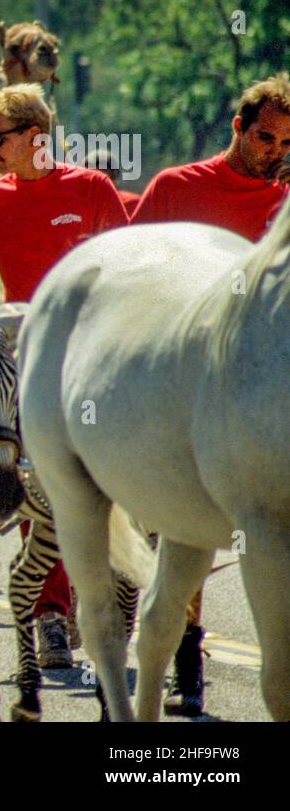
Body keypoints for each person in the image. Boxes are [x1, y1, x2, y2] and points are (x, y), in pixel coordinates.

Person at [0, 84, 129, 669]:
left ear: (35, 137)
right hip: (29, 368)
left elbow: (126, 270)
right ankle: (48, 614)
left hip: (97, 361)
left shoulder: (92, 189)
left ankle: (105, 602)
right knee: (39, 490)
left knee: (106, 487)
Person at [130, 74, 290, 716]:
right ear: (237, 128)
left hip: (268, 394)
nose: (274, 149)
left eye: (285, 141)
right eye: (263, 136)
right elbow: (130, 272)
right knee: (184, 530)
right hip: (185, 387)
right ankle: (183, 657)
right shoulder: (176, 188)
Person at [84, 147, 140, 215]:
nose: (98, 186)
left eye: (103, 180)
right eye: (91, 181)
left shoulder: (132, 204)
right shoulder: (77, 206)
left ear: (115, 176)